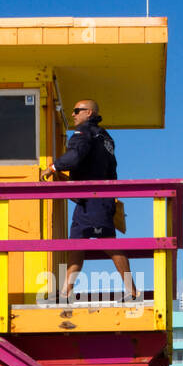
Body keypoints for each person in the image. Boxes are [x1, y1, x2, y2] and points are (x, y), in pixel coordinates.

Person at [40, 99, 138, 302]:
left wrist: (53, 167)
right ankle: (66, 292)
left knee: (109, 243)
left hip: (94, 199)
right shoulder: (106, 137)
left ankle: (132, 291)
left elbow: (75, 156)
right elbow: (111, 170)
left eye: (77, 110)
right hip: (92, 199)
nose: (73, 114)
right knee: (76, 244)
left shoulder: (84, 132)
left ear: (90, 113)